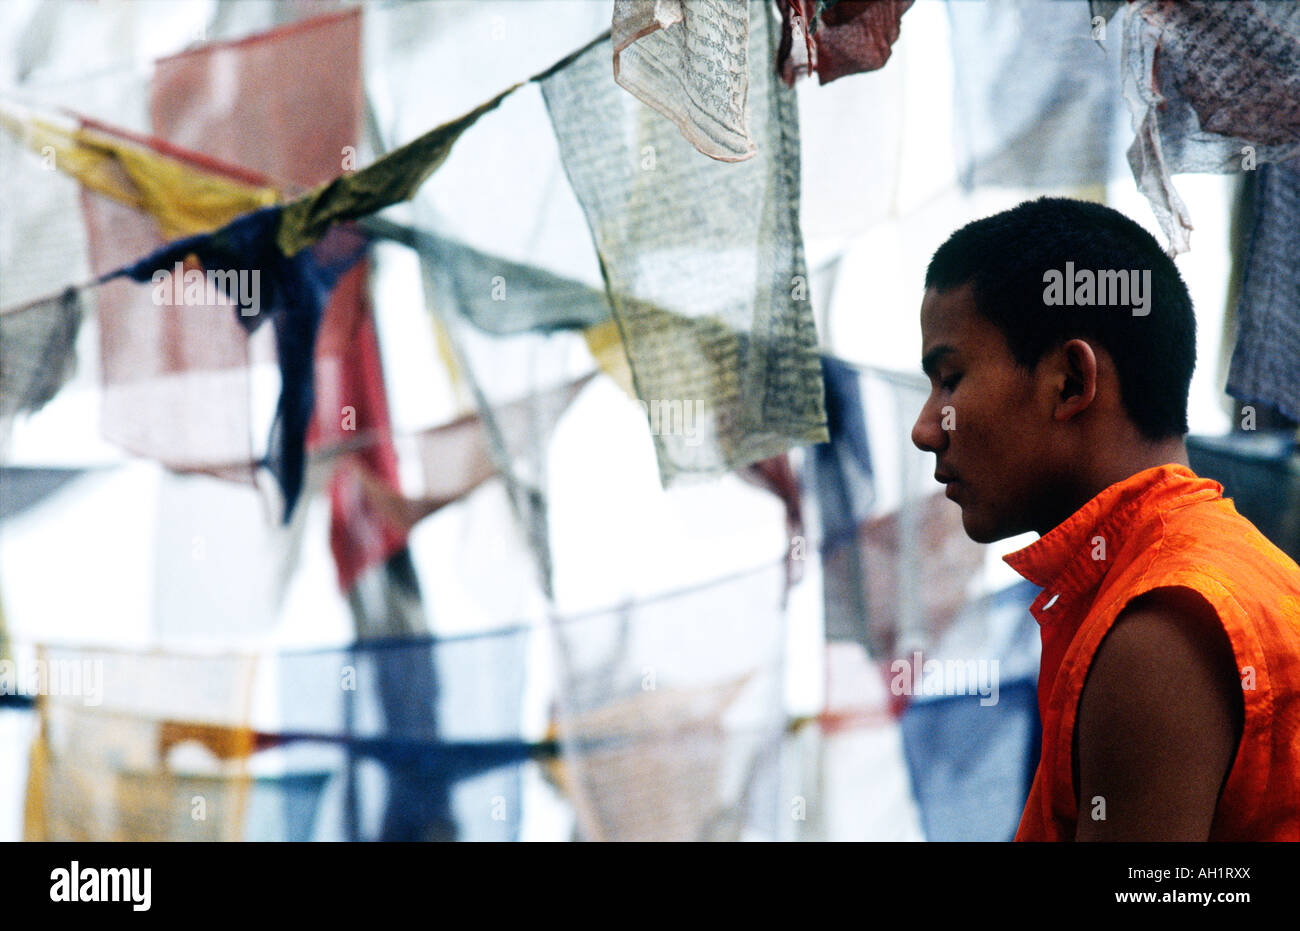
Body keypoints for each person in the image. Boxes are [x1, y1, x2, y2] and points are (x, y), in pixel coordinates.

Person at [911, 197, 1300, 841]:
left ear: (1069, 382)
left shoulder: (1160, 624)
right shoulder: (1210, 566)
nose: (928, 429)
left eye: (950, 379)